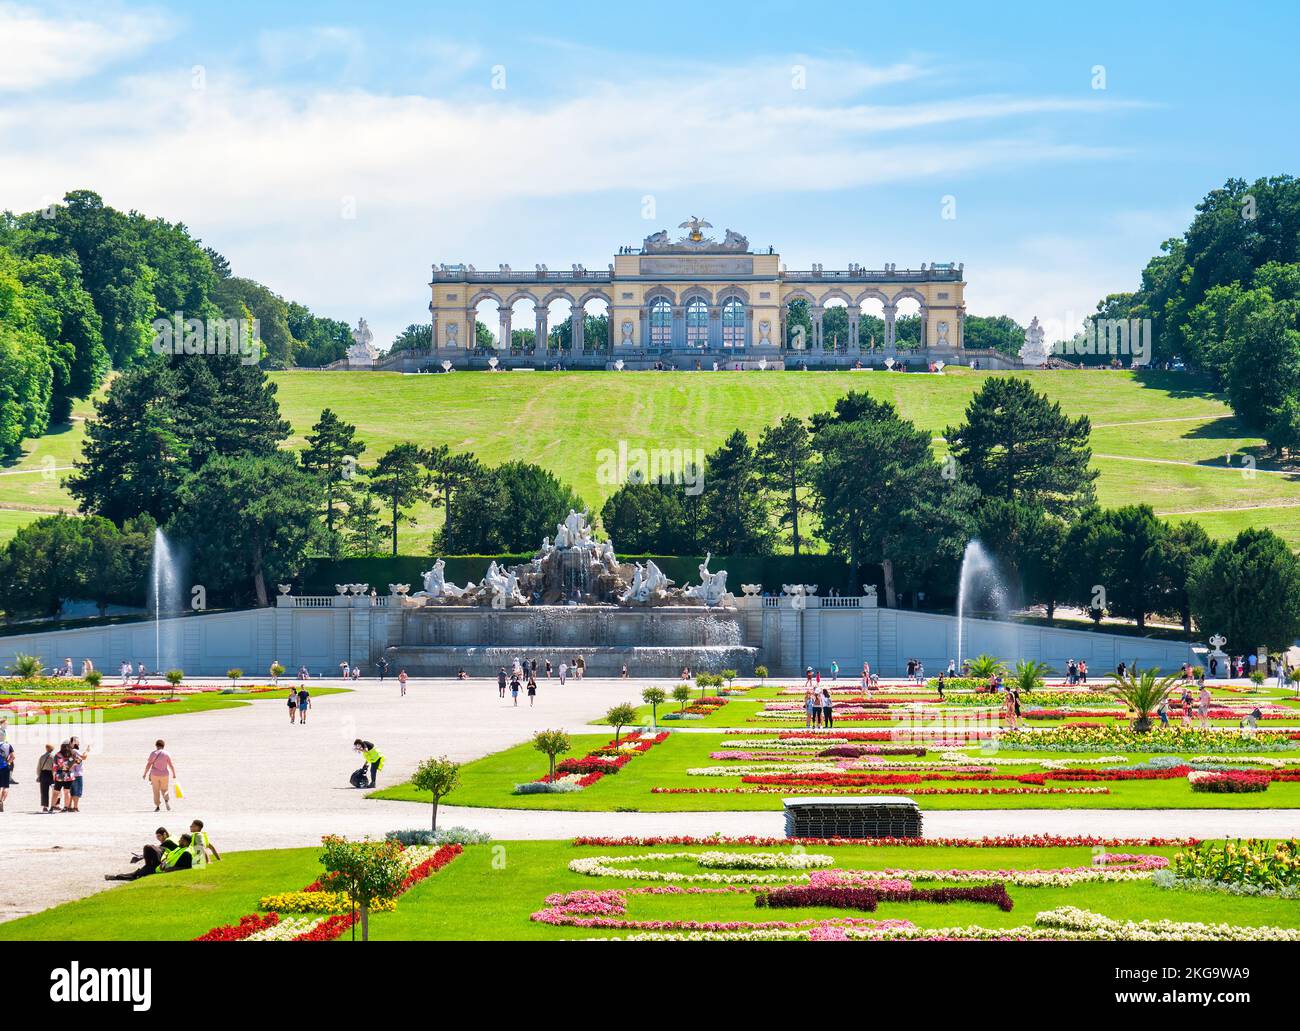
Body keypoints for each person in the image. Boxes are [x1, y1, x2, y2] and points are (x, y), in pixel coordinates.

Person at [105, 827, 179, 880]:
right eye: (157, 836)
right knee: (138, 872)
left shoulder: (168, 842)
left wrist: (140, 857)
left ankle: (115, 877)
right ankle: (115, 877)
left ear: (165, 834)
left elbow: (157, 849)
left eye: (159, 836)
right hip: (160, 861)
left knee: (137, 874)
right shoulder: (173, 837)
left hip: (160, 863)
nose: (158, 838)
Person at [143, 739, 176, 812]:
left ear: (156, 745)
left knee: (156, 790)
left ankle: (157, 806)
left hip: (155, 774)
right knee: (165, 789)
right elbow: (171, 765)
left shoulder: (153, 753)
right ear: (163, 746)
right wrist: (174, 773)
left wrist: (145, 773)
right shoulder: (166, 753)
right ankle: (166, 801)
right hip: (164, 774)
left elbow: (148, 764)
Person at [52, 742, 76, 812]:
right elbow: (78, 761)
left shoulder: (58, 755)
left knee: (56, 792)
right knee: (67, 792)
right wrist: (71, 766)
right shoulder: (73, 754)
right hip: (69, 775)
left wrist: (54, 774)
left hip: (60, 775)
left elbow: (55, 766)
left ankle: (52, 807)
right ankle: (66, 807)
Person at [68, 736, 88, 812]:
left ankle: (69, 806)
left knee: (72, 791)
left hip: (71, 773)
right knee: (77, 791)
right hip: (77, 774)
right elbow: (83, 757)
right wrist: (87, 751)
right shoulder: (75, 750)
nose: (78, 742)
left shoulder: (70, 750)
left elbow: (79, 758)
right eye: (76, 740)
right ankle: (75, 807)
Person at [36, 743, 55, 812]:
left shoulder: (42, 757)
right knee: (55, 790)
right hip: (51, 774)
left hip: (43, 774)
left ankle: (45, 806)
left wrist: (39, 775)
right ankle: (55, 804)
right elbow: (54, 768)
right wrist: (54, 776)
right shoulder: (53, 757)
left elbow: (38, 767)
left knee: (44, 791)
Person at [0, 736, 12, 813]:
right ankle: (1, 801)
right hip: (4, 767)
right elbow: (13, 756)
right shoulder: (8, 745)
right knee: (5, 786)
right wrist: (8, 762)